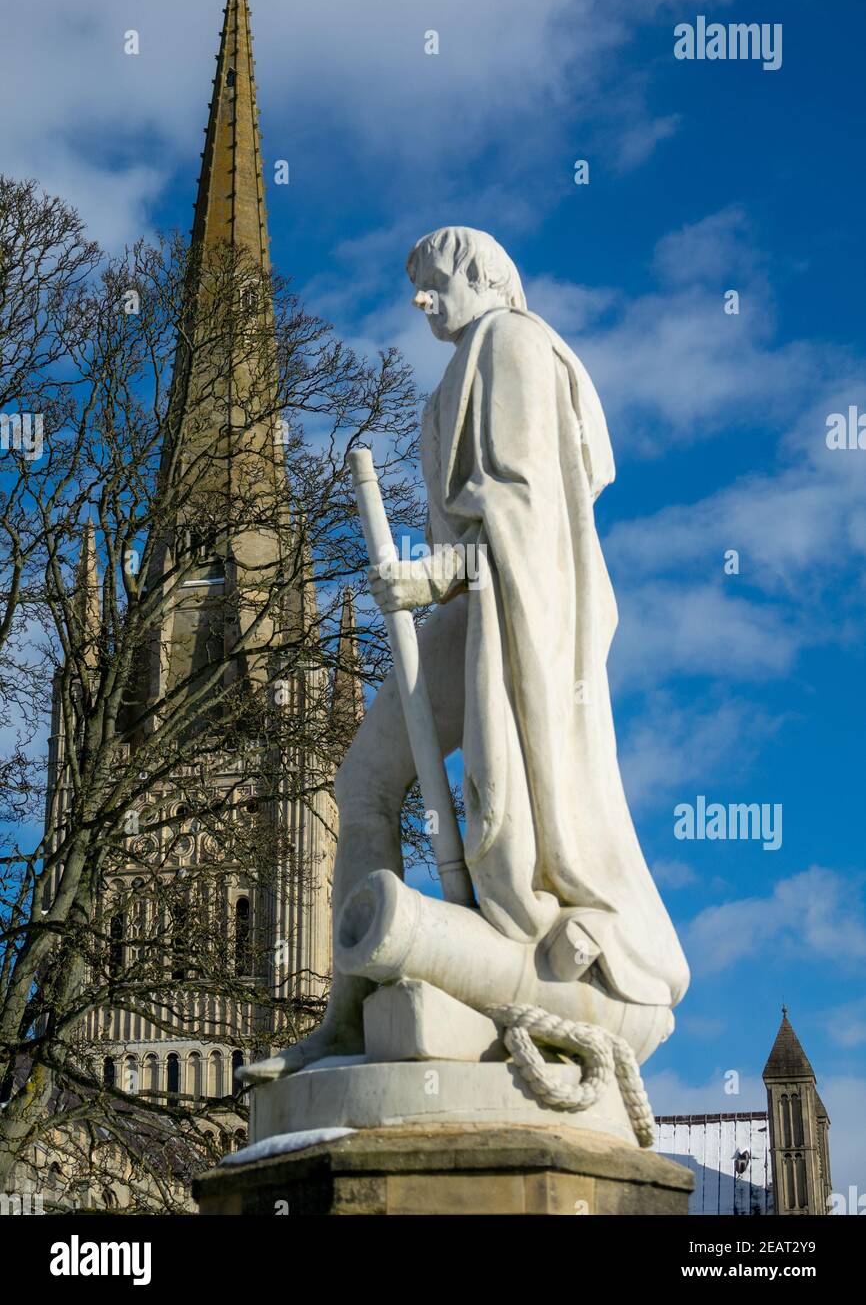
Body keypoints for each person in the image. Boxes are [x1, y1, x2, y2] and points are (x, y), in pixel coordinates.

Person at [244, 227, 688, 1081]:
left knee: (499, 826)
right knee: (363, 780)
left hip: (518, 611)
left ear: (482, 274)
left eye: (432, 278)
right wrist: (433, 578)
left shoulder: (514, 345)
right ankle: (343, 1018)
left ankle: (521, 943)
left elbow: (526, 516)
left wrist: (430, 573)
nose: (418, 298)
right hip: (474, 607)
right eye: (413, 283)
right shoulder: (446, 387)